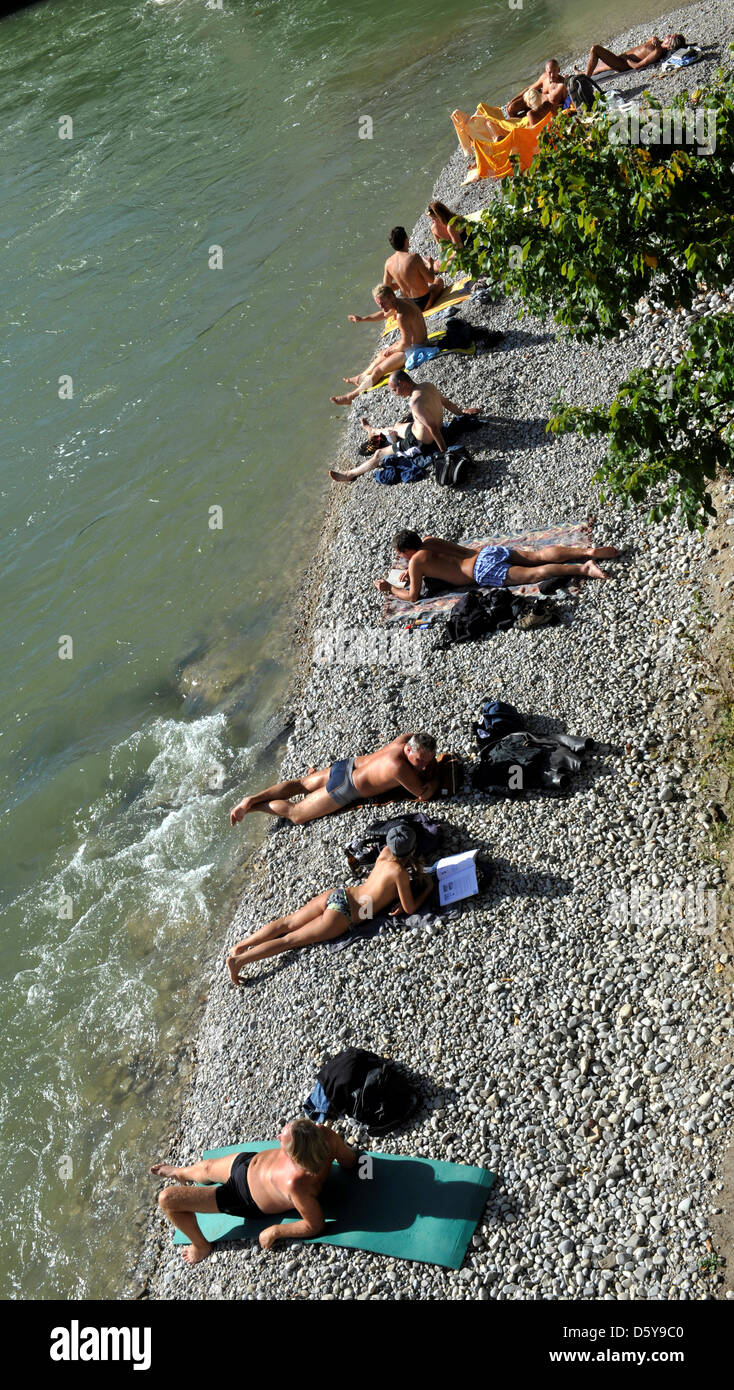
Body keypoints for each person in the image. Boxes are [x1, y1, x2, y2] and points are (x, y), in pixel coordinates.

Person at [226, 823, 433, 984]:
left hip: (338, 895)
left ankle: (240, 946)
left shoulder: (385, 853)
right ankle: (238, 962)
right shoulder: (399, 873)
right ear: (413, 849)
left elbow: (379, 891)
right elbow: (410, 908)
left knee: (286, 923)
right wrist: (428, 889)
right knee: (289, 941)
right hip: (345, 915)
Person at [151, 1118, 358, 1265]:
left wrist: (275, 1231)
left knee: (167, 1199)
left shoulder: (296, 1184)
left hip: (242, 1197)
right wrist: (340, 1157)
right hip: (248, 1163)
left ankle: (201, 1246)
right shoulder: (324, 1133)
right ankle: (180, 1172)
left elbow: (315, 1224)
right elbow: (349, 1161)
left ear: (295, 1157)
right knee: (206, 1168)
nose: (277, 1136)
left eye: (282, 1141)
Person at [230, 730, 439, 825]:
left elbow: (422, 756)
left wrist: (427, 763)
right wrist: (434, 779)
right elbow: (424, 794)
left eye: (427, 762)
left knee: (301, 783)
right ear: (409, 751)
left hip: (347, 766)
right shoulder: (399, 768)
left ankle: (250, 798)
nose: (422, 766)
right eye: (420, 760)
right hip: (345, 787)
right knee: (296, 813)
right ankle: (252, 806)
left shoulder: (404, 740)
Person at [374, 528, 620, 602]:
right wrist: (412, 567)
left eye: (402, 555)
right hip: (486, 552)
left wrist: (390, 589)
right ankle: (586, 551)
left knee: (534, 574)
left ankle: (583, 568)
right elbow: (434, 557)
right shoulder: (428, 541)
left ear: (407, 551)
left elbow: (413, 596)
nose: (404, 559)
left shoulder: (416, 561)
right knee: (535, 555)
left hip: (480, 571)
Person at [329, 370, 479, 483]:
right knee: (396, 426)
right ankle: (372, 431)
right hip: (418, 429)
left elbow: (433, 428)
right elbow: (446, 403)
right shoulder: (427, 386)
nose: (395, 394)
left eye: (394, 389)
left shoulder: (415, 402)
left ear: (402, 383)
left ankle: (350, 475)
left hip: (419, 443)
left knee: (379, 454)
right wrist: (461, 413)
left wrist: (444, 453)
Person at [331, 284, 432, 406]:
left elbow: (406, 344)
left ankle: (350, 396)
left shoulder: (401, 315)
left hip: (416, 348)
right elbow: (383, 315)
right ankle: (361, 376)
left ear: (391, 297)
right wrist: (362, 319)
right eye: (378, 304)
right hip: (415, 341)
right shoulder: (401, 300)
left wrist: (393, 350)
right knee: (381, 354)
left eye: (383, 303)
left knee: (379, 370)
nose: (381, 306)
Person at [348, 227, 445, 318]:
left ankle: (365, 318)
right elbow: (431, 279)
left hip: (406, 305)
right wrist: (431, 264)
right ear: (406, 239)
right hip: (424, 302)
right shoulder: (414, 257)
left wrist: (401, 283)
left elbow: (386, 288)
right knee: (439, 281)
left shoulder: (388, 263)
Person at [584, 33, 685, 76]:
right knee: (596, 69)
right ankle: (582, 74)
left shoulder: (657, 52)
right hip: (621, 59)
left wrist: (626, 58)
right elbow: (645, 47)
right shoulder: (658, 43)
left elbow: (637, 66)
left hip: (623, 64)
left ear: (669, 47)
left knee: (595, 49)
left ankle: (585, 79)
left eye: (670, 37)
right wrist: (653, 38)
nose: (668, 35)